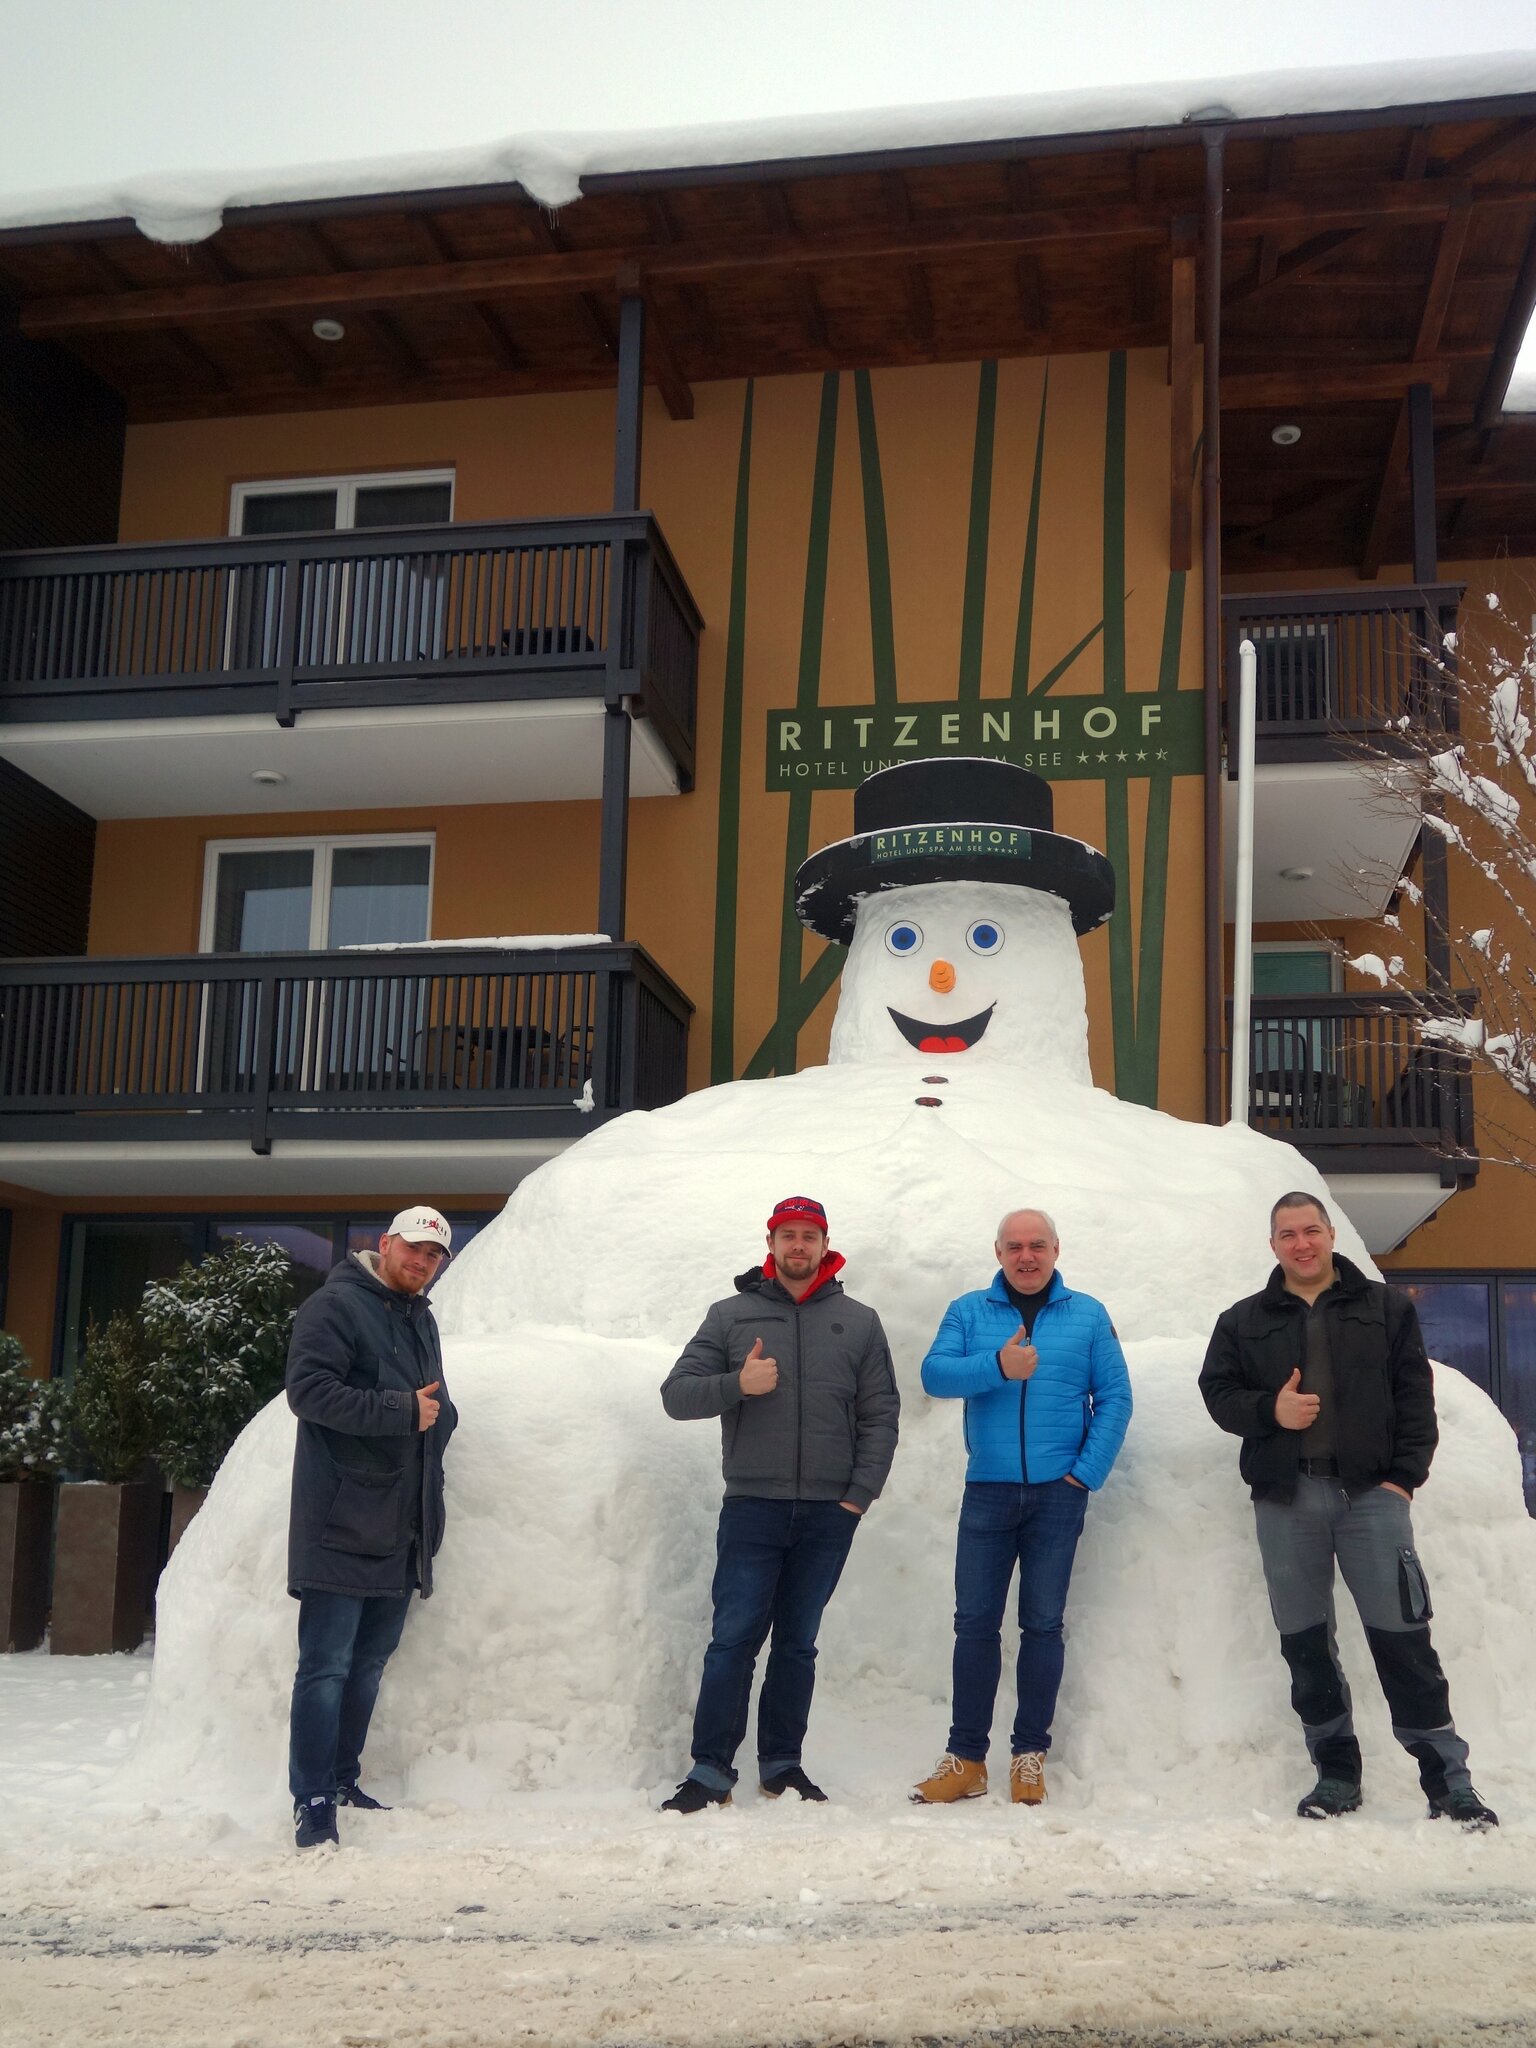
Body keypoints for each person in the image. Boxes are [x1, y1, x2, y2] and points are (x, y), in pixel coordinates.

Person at [1200, 1192, 1496, 1829]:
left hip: (1371, 1499)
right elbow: (1218, 1394)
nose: (1301, 1244)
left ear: (1331, 1234)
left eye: (1311, 1230)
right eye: (1288, 1234)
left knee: (1403, 1638)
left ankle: (1447, 1780)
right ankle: (1336, 1773)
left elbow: (1415, 1396)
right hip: (1287, 1499)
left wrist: (1402, 1482)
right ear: (1273, 1244)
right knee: (1305, 1643)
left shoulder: (1385, 1309)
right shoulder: (1243, 1320)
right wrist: (1269, 1413)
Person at [658, 1195, 900, 1811]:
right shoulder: (731, 1316)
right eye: (787, 1235)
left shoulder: (860, 1321)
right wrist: (737, 1384)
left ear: (825, 1245)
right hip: (754, 1506)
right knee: (733, 1640)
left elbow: (880, 1414)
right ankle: (710, 1771)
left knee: (797, 1643)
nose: (798, 1246)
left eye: (808, 1236)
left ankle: (782, 1765)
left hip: (828, 1513)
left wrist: (858, 1496)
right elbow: (677, 1395)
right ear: (770, 1245)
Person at [911, 1208, 1131, 1807]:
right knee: (975, 1623)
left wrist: (1083, 1475)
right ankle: (967, 1759)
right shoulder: (969, 1312)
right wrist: (997, 1366)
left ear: (1057, 1249)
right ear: (998, 1251)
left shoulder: (1086, 1315)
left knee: (1042, 1624)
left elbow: (1115, 1397)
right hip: (989, 1488)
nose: (1026, 1256)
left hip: (1058, 1496)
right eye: (1015, 1246)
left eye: (1038, 1245)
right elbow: (934, 1375)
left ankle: (1029, 1756)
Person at [285, 1204, 458, 1850]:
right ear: (384, 1244)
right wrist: (401, 1411)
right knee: (325, 1667)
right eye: (412, 1249)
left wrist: (438, 1418)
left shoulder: (420, 1321)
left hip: (398, 1527)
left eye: (433, 1256)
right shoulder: (334, 1308)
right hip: (338, 1521)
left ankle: (340, 1779)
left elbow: (432, 1406)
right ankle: (309, 1799)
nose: (420, 1263)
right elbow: (308, 1392)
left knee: (366, 1665)